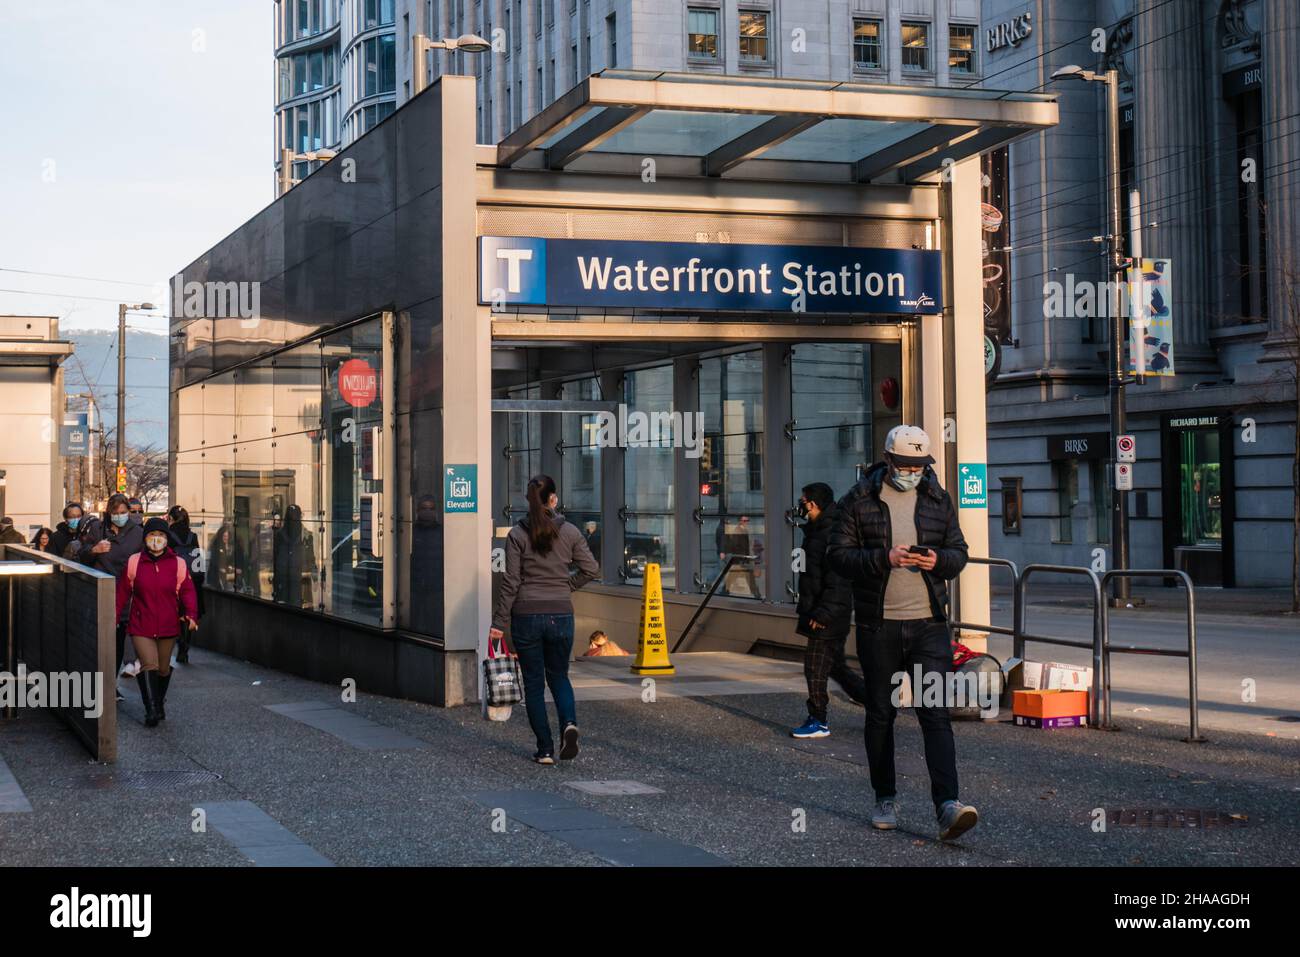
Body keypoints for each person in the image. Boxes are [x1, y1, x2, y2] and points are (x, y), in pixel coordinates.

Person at [828, 424, 978, 843]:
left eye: (919, 465)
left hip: (928, 625)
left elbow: (959, 552)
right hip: (880, 626)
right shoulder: (859, 499)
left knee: (935, 713)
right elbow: (837, 556)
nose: (913, 471)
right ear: (888, 460)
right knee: (880, 713)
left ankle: (948, 805)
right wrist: (883, 557)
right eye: (906, 464)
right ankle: (884, 797)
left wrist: (939, 561)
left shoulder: (936, 497)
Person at [491, 474, 599, 765]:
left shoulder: (516, 535)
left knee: (535, 685)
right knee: (559, 677)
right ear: (553, 499)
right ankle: (569, 724)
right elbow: (591, 569)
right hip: (561, 614)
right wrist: (566, 587)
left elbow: (511, 583)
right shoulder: (572, 533)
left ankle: (545, 750)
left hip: (526, 616)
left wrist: (499, 624)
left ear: (528, 501)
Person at [791, 482, 865, 739]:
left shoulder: (831, 534)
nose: (800, 506)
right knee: (836, 667)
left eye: (803, 501)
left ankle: (818, 719)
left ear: (812, 503)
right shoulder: (816, 530)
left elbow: (838, 580)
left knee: (814, 667)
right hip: (824, 612)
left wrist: (822, 614)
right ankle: (878, 704)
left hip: (828, 616)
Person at [115, 518, 198, 727]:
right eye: (152, 535)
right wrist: (113, 617)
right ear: (145, 539)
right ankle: (151, 709)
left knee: (163, 668)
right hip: (141, 624)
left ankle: (159, 702)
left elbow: (188, 590)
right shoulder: (135, 562)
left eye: (161, 536)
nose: (156, 540)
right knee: (148, 664)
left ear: (167, 539)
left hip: (168, 625)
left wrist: (191, 615)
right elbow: (122, 592)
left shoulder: (178, 563)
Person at [86, 493, 146, 688]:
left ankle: (114, 683)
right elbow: (80, 554)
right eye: (115, 512)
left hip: (128, 592)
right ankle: (105, 685)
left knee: (121, 638)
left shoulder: (137, 533)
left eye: (123, 512)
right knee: (104, 642)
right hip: (103, 592)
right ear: (109, 513)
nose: (120, 515)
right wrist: (94, 550)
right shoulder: (97, 529)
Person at [166, 506, 204, 664]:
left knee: (175, 613)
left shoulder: (168, 536)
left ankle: (176, 642)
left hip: (174, 580)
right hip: (192, 581)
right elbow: (197, 561)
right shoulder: (192, 536)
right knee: (188, 614)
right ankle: (184, 647)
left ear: (171, 519)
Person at [272, 504, 316, 608]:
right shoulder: (280, 536)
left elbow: (311, 558)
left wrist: (315, 575)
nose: (294, 520)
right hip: (286, 578)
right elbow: (275, 558)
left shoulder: (306, 536)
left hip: (300, 578)